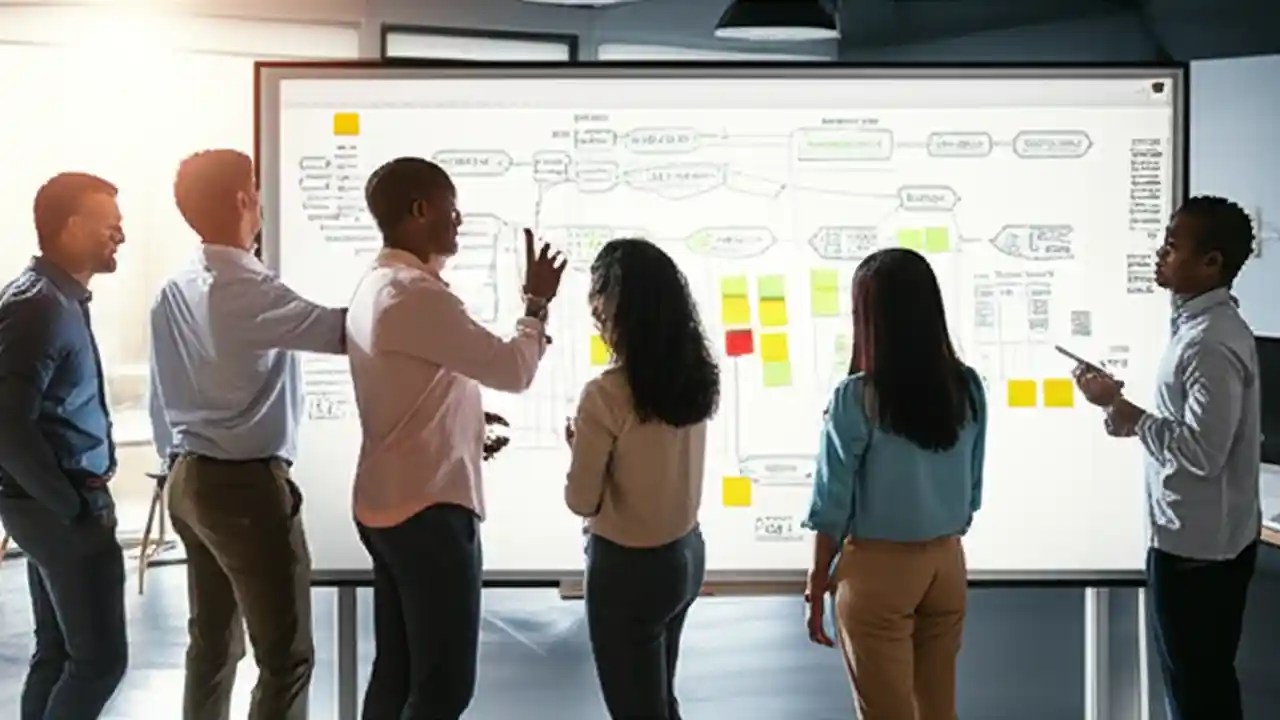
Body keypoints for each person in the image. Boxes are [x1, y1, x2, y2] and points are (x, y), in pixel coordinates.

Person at [346, 157, 565, 719]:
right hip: (429, 514)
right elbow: (513, 370)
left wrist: (464, 421)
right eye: (451, 208)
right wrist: (536, 306)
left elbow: (409, 383)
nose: (459, 219)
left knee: (396, 674)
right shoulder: (416, 295)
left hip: (387, 503)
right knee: (444, 689)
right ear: (421, 211)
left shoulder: (376, 285)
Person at [148, 149, 347, 720]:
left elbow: (160, 391)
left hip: (187, 477)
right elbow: (344, 332)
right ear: (243, 198)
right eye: (257, 188)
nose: (261, 200)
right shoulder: (245, 291)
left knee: (213, 646)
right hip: (243, 493)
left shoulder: (176, 284)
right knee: (286, 659)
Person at [1073, 196, 1260, 720]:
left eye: (1173, 246)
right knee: (1201, 687)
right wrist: (1127, 414)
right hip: (1201, 546)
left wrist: (1124, 411)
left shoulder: (1208, 343)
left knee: (1197, 694)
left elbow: (1203, 452)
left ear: (1212, 262)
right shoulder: (1199, 327)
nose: (1160, 254)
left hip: (1198, 556)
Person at [803, 248, 986, 720]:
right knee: (938, 711)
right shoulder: (967, 387)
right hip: (947, 565)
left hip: (878, 571)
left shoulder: (856, 397)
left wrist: (818, 578)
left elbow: (832, 501)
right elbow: (972, 489)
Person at [563, 238, 718, 720]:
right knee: (661, 703)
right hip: (686, 555)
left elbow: (582, 500)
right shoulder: (696, 374)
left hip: (628, 572)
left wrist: (579, 449)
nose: (595, 310)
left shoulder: (605, 394)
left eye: (599, 296)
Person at [0, 172, 128, 719]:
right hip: (60, 505)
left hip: (51, 502)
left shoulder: (56, 299)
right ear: (72, 228)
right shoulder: (39, 306)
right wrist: (70, 508)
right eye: (110, 226)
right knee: (99, 662)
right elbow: (6, 424)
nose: (121, 236)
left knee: (58, 655)